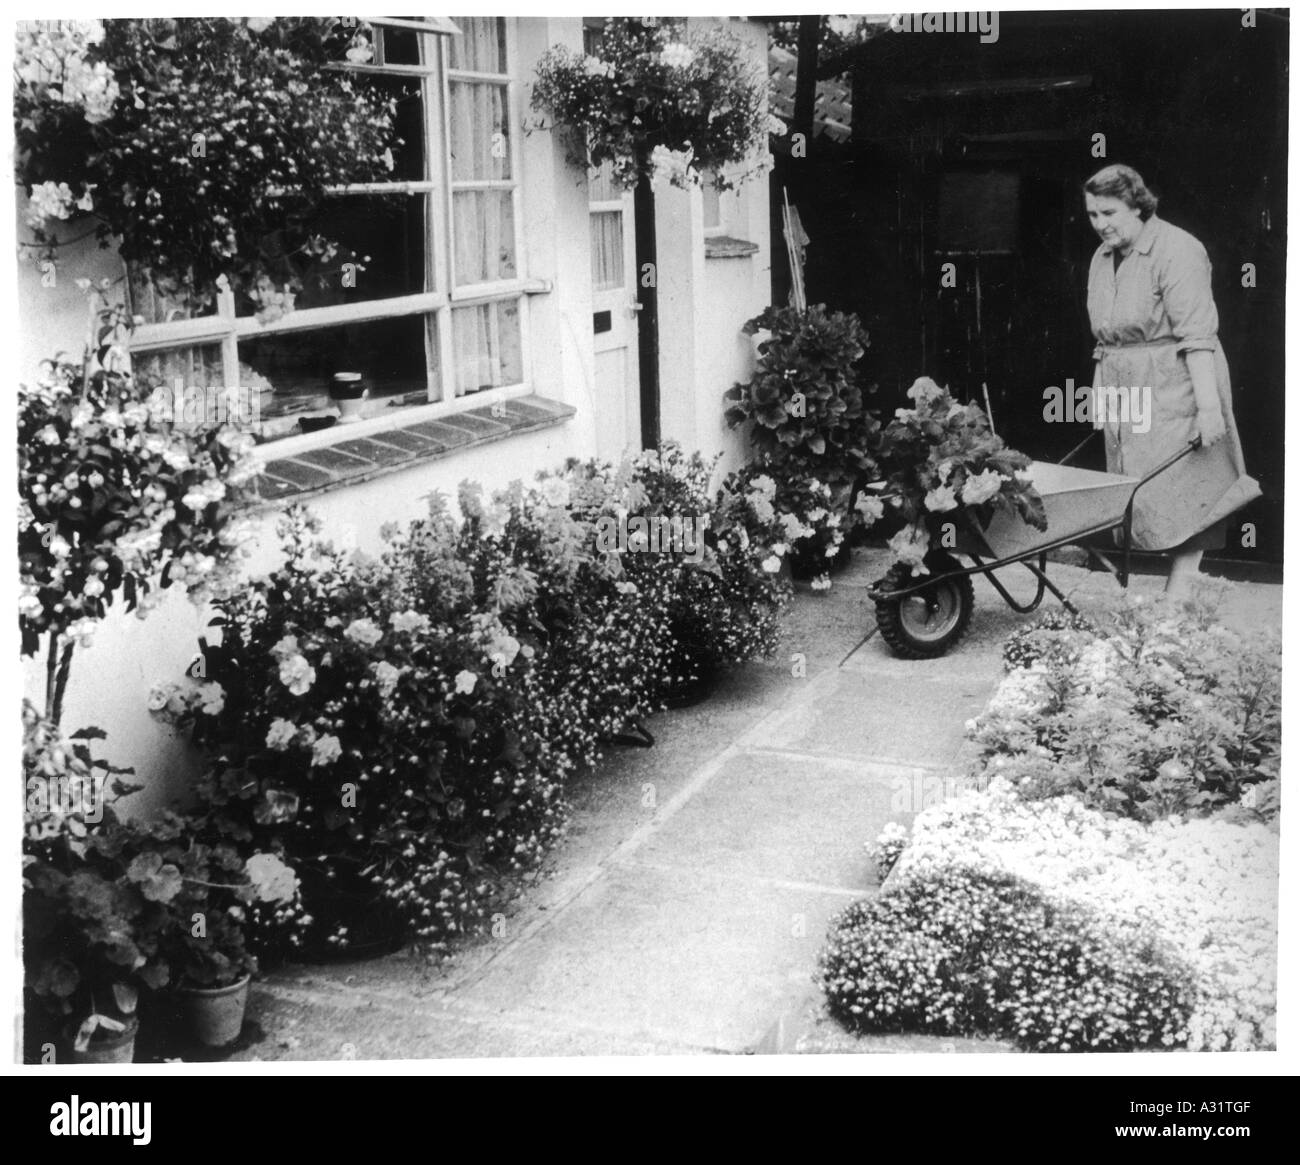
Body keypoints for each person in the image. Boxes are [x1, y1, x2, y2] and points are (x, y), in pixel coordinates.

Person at [1083, 163, 1260, 599]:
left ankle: (1177, 599)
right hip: (1126, 386)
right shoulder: (1102, 258)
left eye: (1110, 213)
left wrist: (1208, 408)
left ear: (1137, 207)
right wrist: (1099, 397)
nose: (1101, 224)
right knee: (1139, 490)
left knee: (1187, 485)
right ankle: (1157, 597)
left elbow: (1198, 337)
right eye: (1092, 215)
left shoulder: (1178, 249)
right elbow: (1104, 339)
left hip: (1175, 384)